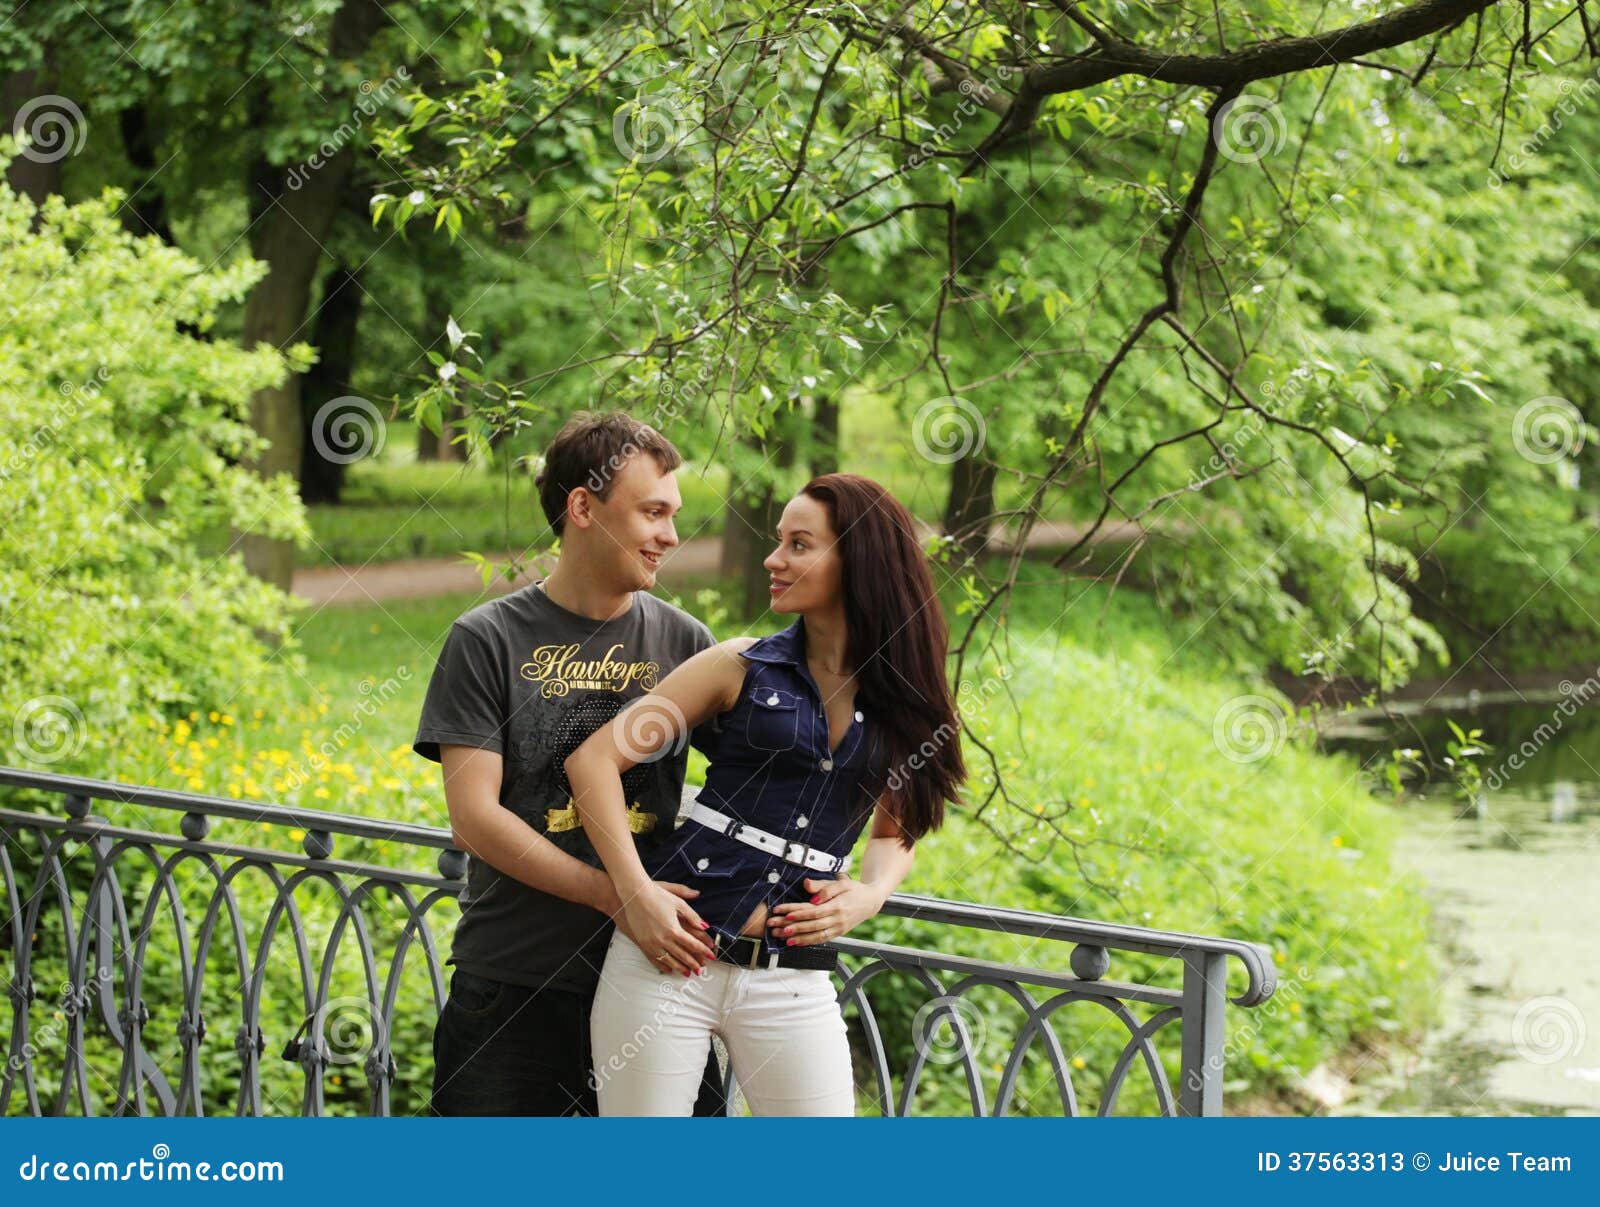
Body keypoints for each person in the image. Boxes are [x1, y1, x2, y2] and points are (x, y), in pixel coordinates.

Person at [567, 472, 967, 1115]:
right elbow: (593, 760)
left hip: (793, 981)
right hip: (669, 960)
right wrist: (634, 892)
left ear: (858, 560)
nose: (773, 559)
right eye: (780, 540)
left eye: (799, 545)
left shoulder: (906, 700)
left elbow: (897, 831)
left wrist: (869, 895)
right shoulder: (738, 666)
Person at [413, 411, 727, 1116]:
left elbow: (762, 774)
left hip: (655, 988)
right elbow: (474, 819)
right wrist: (619, 896)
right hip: (513, 988)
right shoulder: (486, 639)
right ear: (582, 508)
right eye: (652, 512)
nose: (671, 536)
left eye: (674, 515)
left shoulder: (686, 642)